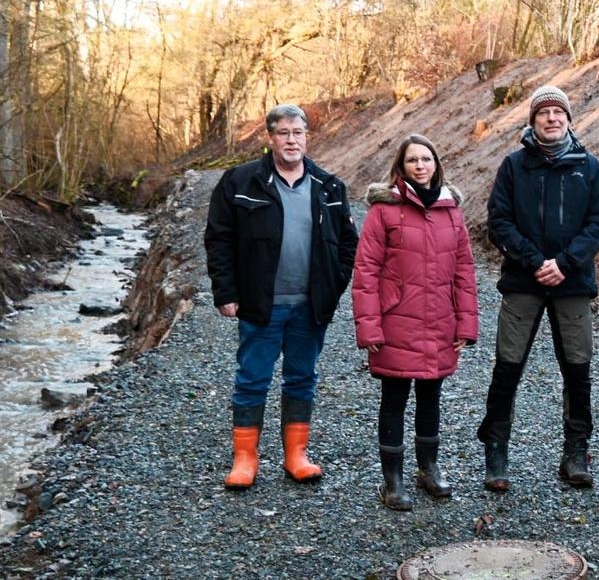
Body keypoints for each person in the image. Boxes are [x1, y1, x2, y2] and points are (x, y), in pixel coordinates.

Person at [204, 104, 358, 490]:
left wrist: (332, 287)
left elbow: (347, 245)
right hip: (260, 304)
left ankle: (296, 456)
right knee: (252, 378)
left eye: (298, 133)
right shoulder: (240, 182)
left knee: (302, 377)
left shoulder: (329, 186)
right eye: (284, 133)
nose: (292, 140)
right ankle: (245, 458)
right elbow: (219, 240)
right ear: (270, 138)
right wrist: (226, 291)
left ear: (307, 137)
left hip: (310, 306)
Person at [477, 84, 599, 492]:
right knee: (507, 367)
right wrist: (535, 262)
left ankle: (575, 452)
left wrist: (565, 264)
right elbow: (498, 221)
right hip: (523, 281)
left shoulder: (589, 167)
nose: (552, 119)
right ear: (532, 121)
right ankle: (496, 452)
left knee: (578, 370)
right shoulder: (514, 166)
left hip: (573, 285)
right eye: (543, 113)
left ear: (569, 120)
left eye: (559, 113)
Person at [351, 134, 479, 511]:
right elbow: (366, 272)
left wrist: (466, 326)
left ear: (436, 164)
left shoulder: (450, 210)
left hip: (439, 321)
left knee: (430, 398)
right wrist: (368, 326)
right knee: (393, 400)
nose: (421, 166)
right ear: (401, 167)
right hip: (395, 323)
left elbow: (464, 272)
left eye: (427, 159)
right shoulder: (384, 210)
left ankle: (429, 469)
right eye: (412, 161)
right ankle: (391, 481)